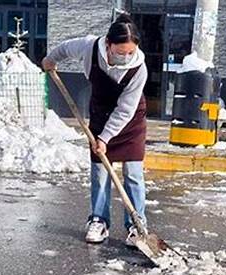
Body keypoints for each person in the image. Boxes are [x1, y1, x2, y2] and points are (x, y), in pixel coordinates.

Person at [42, 14, 148, 245]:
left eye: (130, 52)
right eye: (121, 52)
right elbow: (65, 48)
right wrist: (50, 60)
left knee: (133, 173)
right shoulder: (90, 47)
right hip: (100, 114)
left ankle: (137, 225)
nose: (126, 57)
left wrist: (106, 138)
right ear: (109, 45)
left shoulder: (139, 68)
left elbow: (125, 109)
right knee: (100, 173)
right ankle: (99, 221)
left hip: (130, 121)